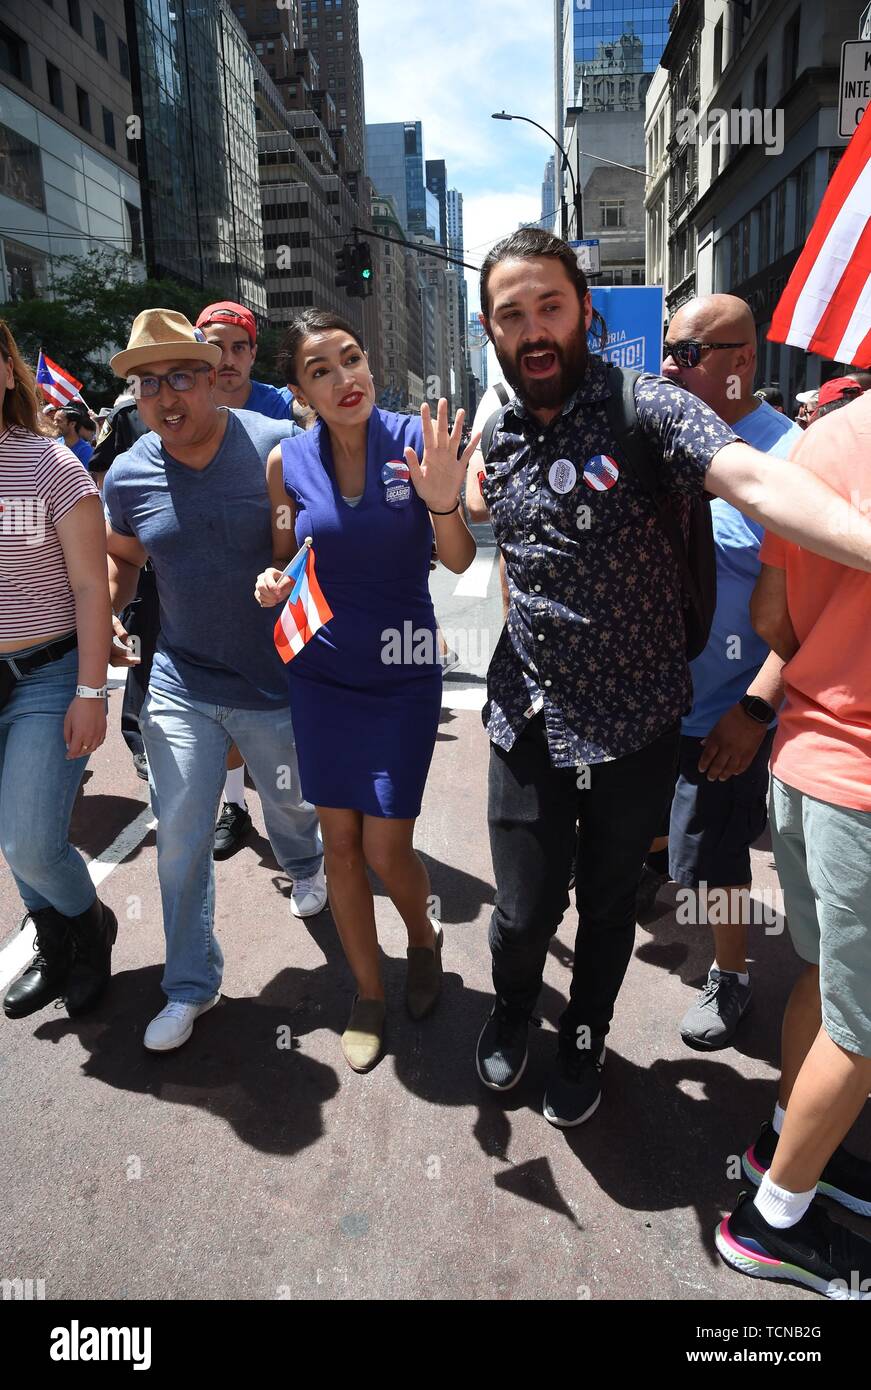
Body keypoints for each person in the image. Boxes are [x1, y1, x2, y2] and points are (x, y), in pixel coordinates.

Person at [464, 227, 871, 1129]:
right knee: (524, 909)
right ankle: (508, 1003)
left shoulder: (647, 408)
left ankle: (583, 1034)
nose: (532, 329)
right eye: (510, 314)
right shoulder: (496, 436)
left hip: (638, 722)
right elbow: (507, 553)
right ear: (490, 332)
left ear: (585, 315)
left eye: (550, 307)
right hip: (527, 715)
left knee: (610, 902)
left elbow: (756, 483)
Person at [255, 310, 478, 1073]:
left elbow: (455, 561)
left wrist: (443, 500)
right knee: (338, 846)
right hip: (318, 671)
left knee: (386, 846)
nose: (344, 377)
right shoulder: (285, 463)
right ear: (300, 391)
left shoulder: (417, 441)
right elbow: (286, 549)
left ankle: (422, 937)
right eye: (321, 369)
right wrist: (271, 580)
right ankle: (366, 990)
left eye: (351, 358)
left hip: (402, 667)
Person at [103, 309, 324, 1053]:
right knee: (181, 837)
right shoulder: (130, 470)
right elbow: (125, 554)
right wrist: (110, 610)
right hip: (181, 681)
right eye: (147, 384)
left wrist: (290, 576)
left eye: (180, 378)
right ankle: (190, 985)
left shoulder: (274, 447)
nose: (166, 397)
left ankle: (304, 863)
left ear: (212, 378)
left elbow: (316, 542)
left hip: (273, 685)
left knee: (292, 806)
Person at [716, 389, 871, 1299]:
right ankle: (770, 1220)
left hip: (806, 755)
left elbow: (774, 619)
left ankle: (783, 1144)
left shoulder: (821, 440)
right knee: (862, 1029)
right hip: (855, 781)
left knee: (824, 982)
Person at [653, 294, 802, 1050]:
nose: (668, 370)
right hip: (652, 705)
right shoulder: (667, 444)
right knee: (671, 844)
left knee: (715, 864)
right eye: (666, 352)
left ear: (741, 360)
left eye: (687, 355)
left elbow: (809, 617)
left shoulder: (789, 464)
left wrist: (751, 714)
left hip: (727, 714)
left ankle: (733, 975)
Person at [0, 318, 117, 1021]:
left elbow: (90, 588)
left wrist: (92, 691)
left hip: (47, 675)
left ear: (9, 371)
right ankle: (56, 938)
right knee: (10, 833)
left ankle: (89, 926)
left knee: (31, 839)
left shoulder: (50, 464)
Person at [197, 300, 296, 858]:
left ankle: (304, 836)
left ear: (254, 352)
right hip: (212, 582)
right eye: (216, 345)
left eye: (239, 347)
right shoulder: (181, 402)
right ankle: (234, 807)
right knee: (228, 708)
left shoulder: (282, 415)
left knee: (284, 714)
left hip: (278, 579)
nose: (228, 359)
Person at [57, 401, 96, 469]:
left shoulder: (86, 451)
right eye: (54, 420)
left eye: (59, 421)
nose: (54, 424)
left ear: (72, 424)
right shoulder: (55, 444)